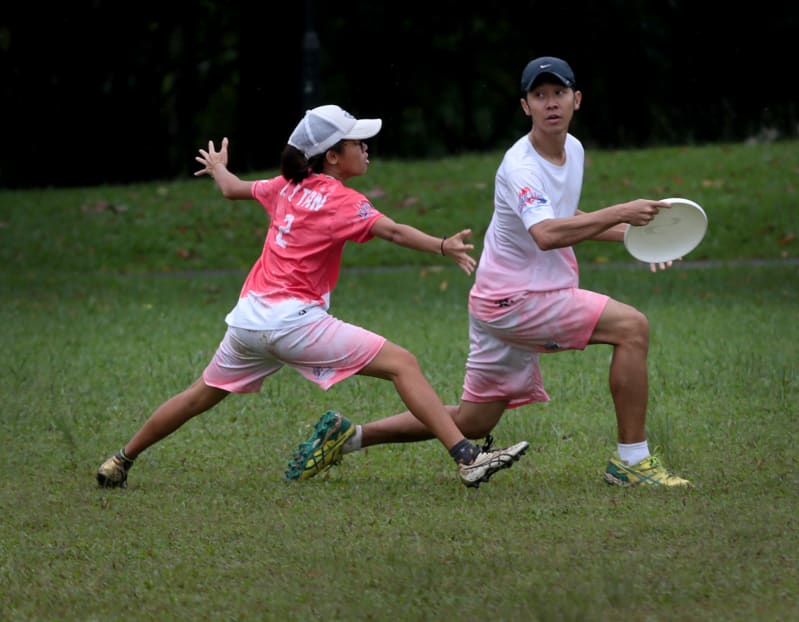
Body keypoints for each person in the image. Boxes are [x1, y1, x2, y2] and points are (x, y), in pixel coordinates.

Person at [287, 59, 691, 488]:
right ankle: (632, 461)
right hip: (519, 301)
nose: (550, 104)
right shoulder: (520, 165)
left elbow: (564, 214)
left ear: (577, 100)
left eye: (558, 93)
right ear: (525, 106)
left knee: (475, 420)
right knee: (632, 328)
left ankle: (348, 437)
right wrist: (623, 209)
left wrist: (634, 235)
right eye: (540, 96)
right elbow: (546, 233)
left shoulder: (573, 149)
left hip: (495, 302)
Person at [96, 104, 529, 490]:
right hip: (294, 323)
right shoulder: (340, 200)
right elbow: (393, 231)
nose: (365, 148)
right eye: (357, 142)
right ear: (333, 157)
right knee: (403, 364)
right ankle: (467, 458)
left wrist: (218, 168)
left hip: (248, 324)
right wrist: (442, 245)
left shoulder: (285, 186)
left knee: (197, 396)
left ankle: (121, 459)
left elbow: (232, 189)